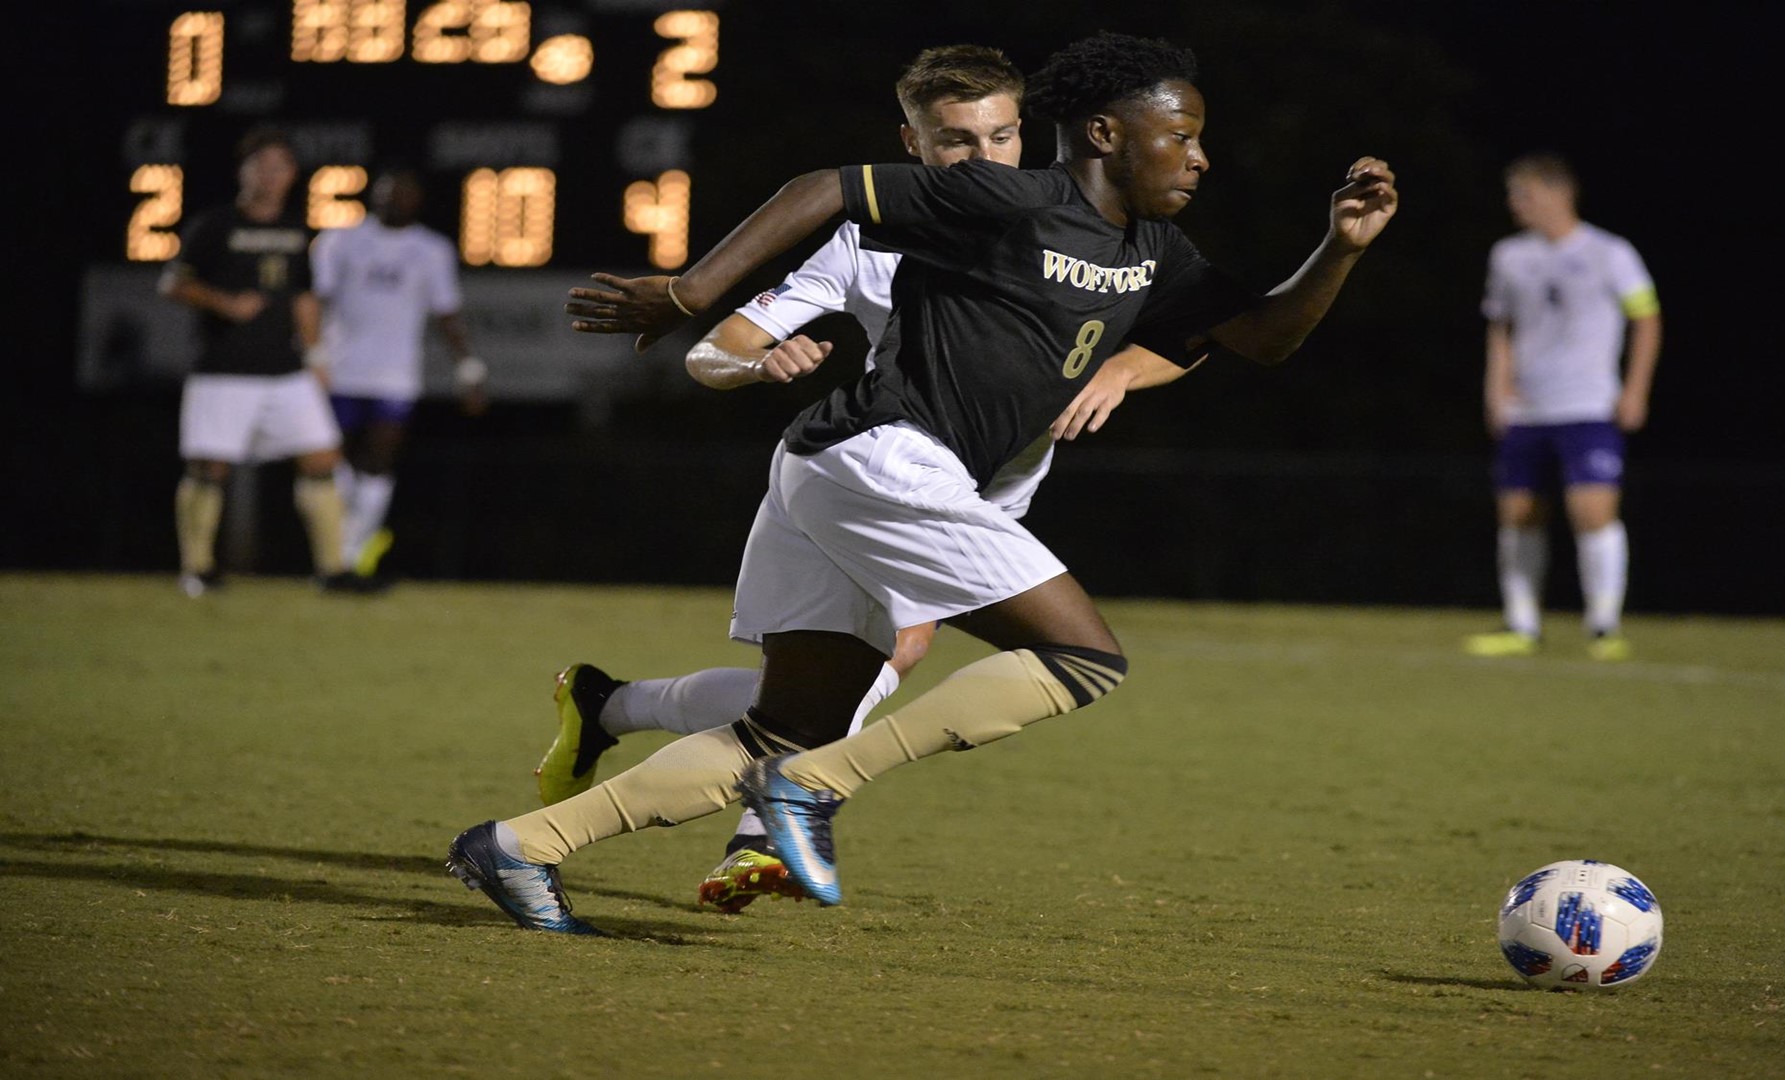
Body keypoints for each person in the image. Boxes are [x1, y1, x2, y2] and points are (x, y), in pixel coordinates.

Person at [447, 31, 1398, 935]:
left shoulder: (1154, 249)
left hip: (837, 468)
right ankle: (814, 791)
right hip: (882, 455)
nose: (1198, 157)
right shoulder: (1009, 200)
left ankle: (519, 847)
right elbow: (822, 187)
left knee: (787, 725)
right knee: (1084, 660)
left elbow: (1265, 338)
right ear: (1106, 134)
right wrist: (695, 295)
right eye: (1181, 135)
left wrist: (1342, 249)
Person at [537, 44, 1194, 915]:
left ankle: (611, 711)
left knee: (819, 697)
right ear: (912, 144)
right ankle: (761, 832)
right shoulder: (868, 239)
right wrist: (752, 363)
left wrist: (1121, 370)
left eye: (1001, 135)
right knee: (895, 665)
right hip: (890, 470)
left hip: (990, 483)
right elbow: (714, 352)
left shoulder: (1071, 216)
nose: (983, 156)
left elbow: (1200, 325)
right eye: (956, 141)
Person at [1465, 153, 1661, 661]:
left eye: (1523, 194)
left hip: (1589, 404)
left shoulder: (1609, 252)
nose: (1514, 204)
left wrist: (1635, 389)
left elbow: (1647, 318)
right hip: (1527, 408)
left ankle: (1603, 624)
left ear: (1558, 193)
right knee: (1518, 512)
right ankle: (1522, 624)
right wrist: (1495, 389)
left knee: (1592, 511)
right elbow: (1500, 330)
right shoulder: (1508, 255)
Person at [161, 126, 369, 596]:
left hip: (284, 370)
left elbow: (304, 299)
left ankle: (332, 571)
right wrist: (225, 303)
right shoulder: (214, 225)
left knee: (322, 457)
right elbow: (173, 283)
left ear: (293, 174)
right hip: (223, 369)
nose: (271, 175)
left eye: (281, 167)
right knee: (210, 467)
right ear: (244, 171)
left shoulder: (295, 230)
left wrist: (316, 354)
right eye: (262, 165)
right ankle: (197, 569)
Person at [310, 166, 484, 581]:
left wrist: (469, 367)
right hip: (340, 371)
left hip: (395, 376)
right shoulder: (340, 241)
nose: (395, 201)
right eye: (388, 193)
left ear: (417, 201)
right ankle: (333, 551)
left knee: (379, 461)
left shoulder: (431, 249)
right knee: (335, 463)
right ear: (374, 197)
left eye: (404, 194)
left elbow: (447, 314)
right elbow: (314, 302)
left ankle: (352, 556)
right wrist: (311, 356)